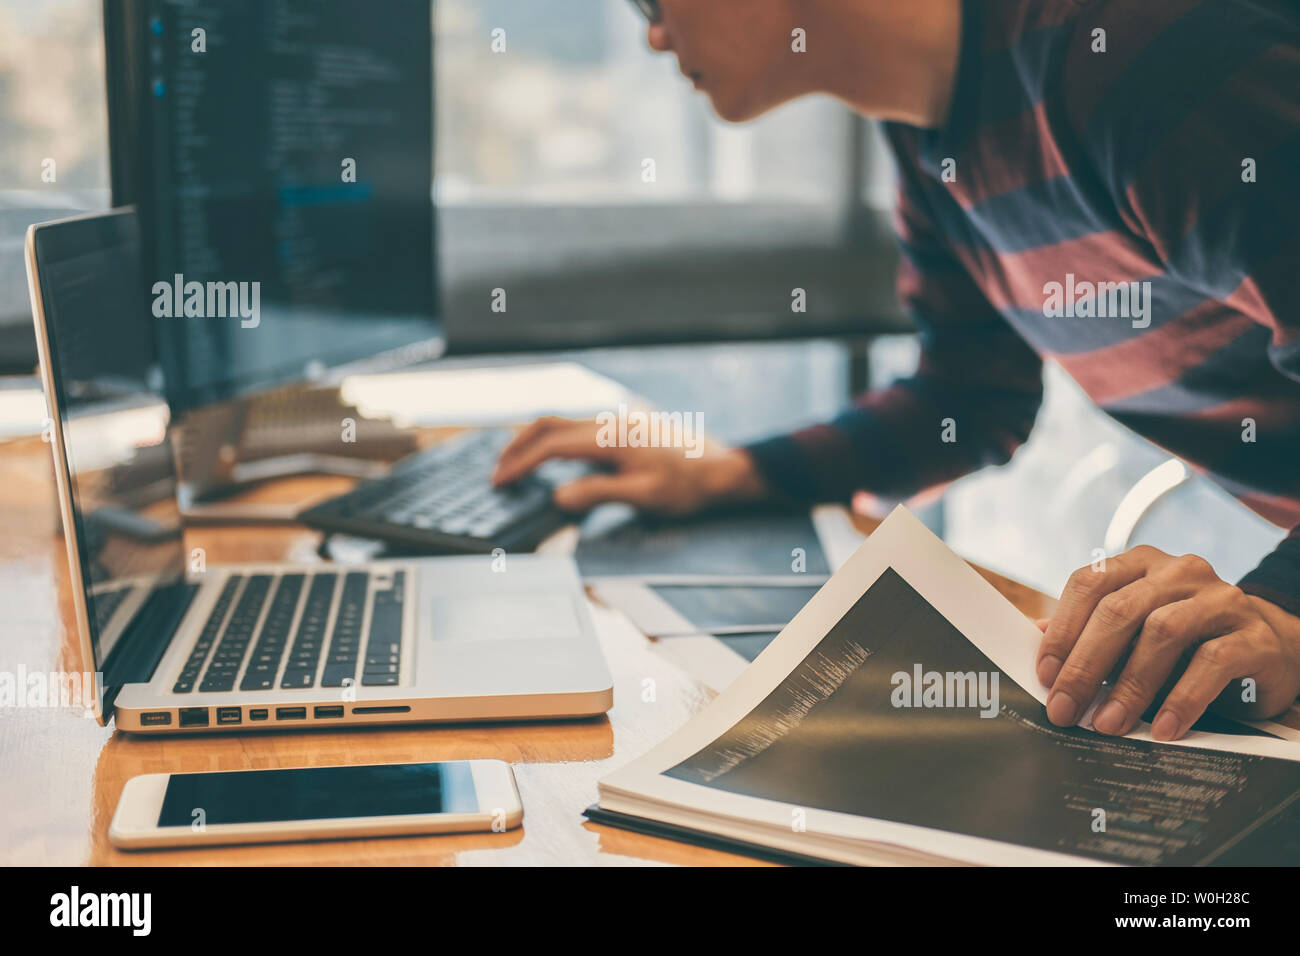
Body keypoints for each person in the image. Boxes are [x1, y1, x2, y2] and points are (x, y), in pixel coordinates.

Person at [493, 0, 1300, 741]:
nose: (652, 34)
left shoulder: (1142, 49)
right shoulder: (928, 129)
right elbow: (971, 398)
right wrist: (731, 473)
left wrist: (1283, 612)